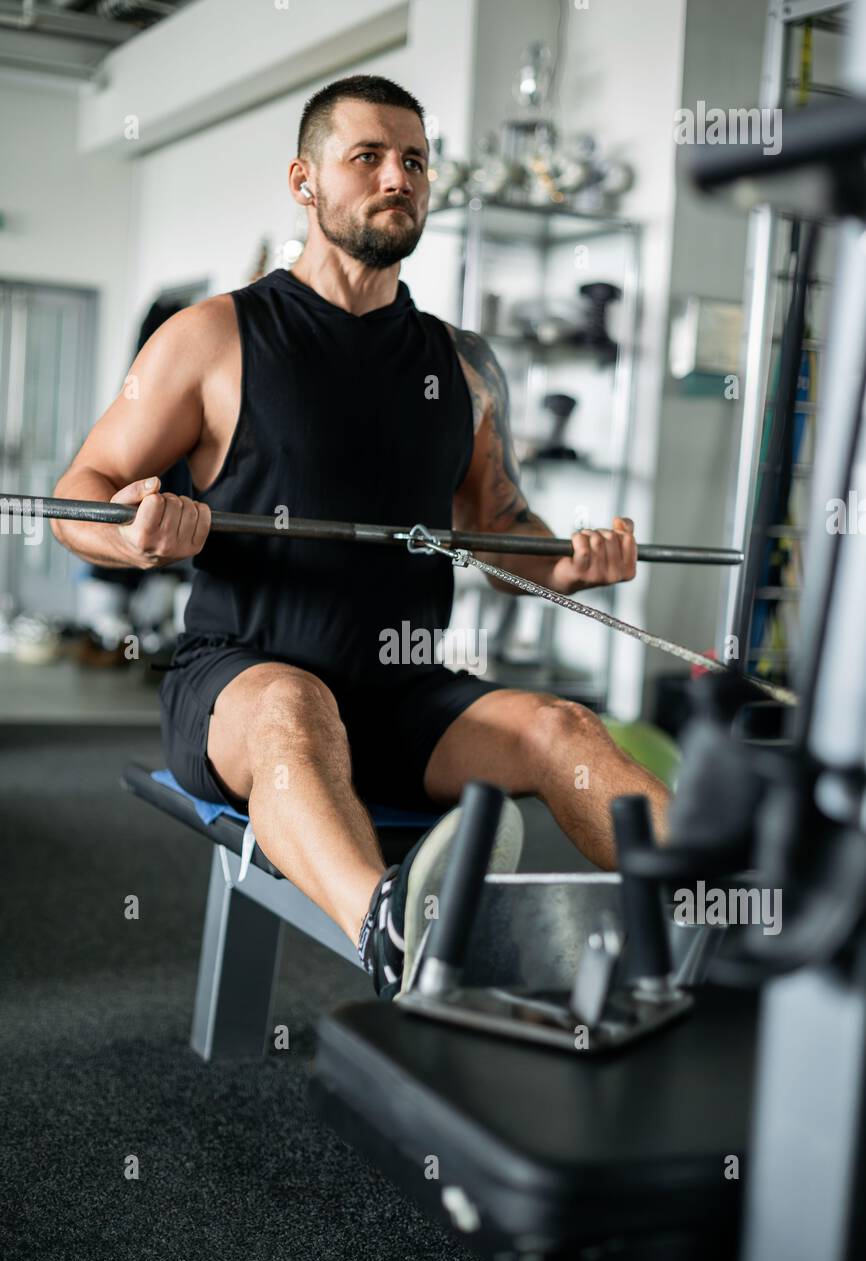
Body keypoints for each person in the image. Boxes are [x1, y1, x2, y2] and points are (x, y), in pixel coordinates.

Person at [51, 74, 669, 999]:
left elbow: (501, 533)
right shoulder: (214, 336)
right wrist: (138, 535)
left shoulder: (460, 365)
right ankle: (394, 937)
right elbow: (75, 498)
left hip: (404, 695)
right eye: (369, 157)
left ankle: (721, 911)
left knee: (560, 727)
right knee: (297, 709)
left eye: (415, 161)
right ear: (305, 182)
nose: (398, 179)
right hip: (242, 683)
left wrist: (570, 564)